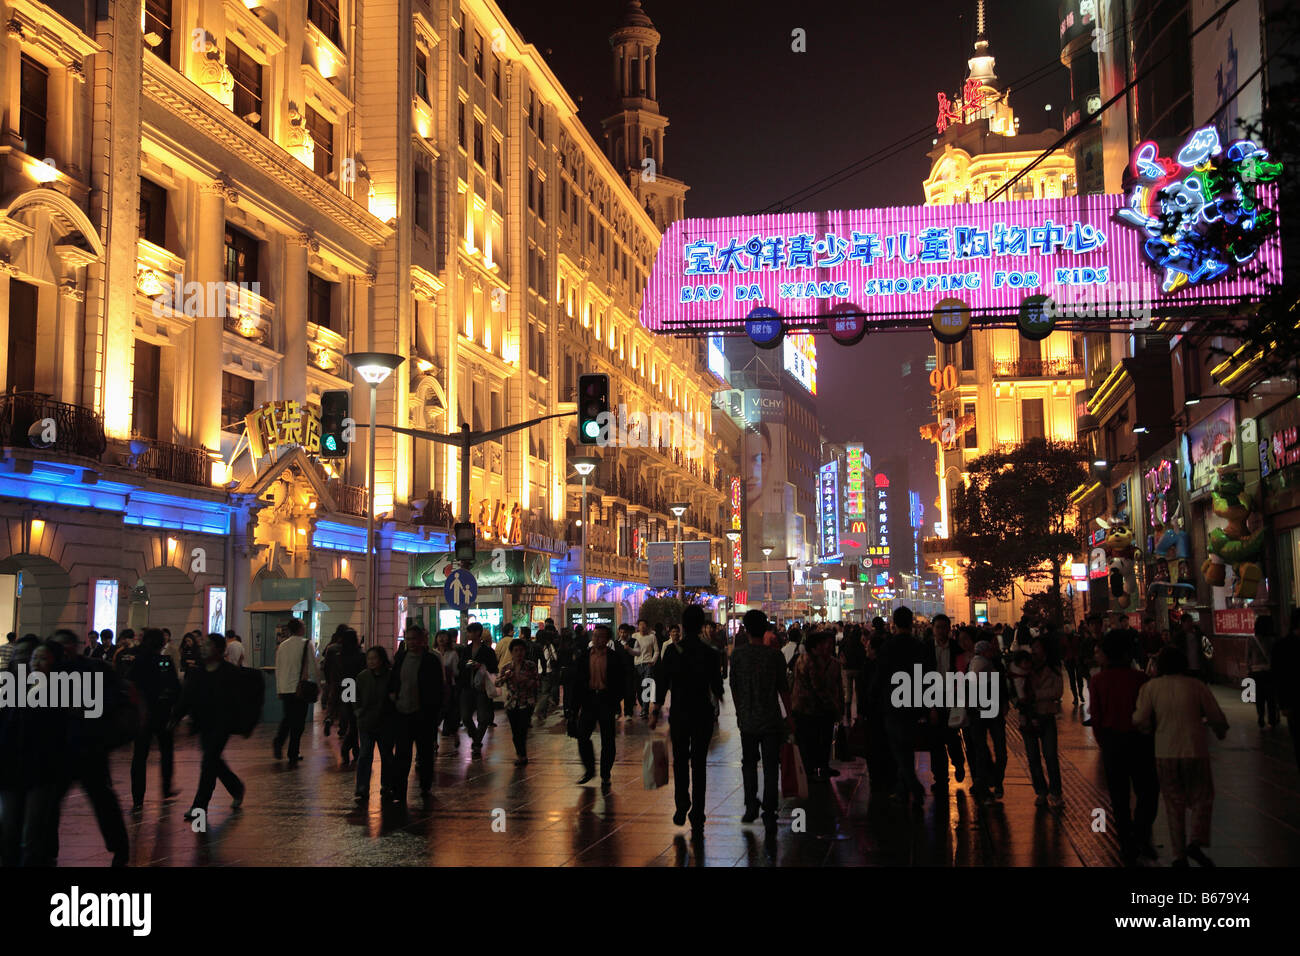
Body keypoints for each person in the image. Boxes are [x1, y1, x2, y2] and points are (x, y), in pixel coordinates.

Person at [1133, 645, 1229, 867]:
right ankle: (1196, 840)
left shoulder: (1151, 687)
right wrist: (1220, 731)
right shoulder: (1196, 686)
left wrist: (1148, 729)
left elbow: (1139, 719)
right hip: (1195, 749)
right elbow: (1215, 715)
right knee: (1202, 797)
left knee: (1173, 802)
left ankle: (1178, 855)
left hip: (1165, 752)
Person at [48, 629, 130, 867]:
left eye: (65, 645)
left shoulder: (93, 668)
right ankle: (49, 848)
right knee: (55, 802)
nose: (62, 651)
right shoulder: (52, 671)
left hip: (88, 746)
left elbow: (114, 699)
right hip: (65, 748)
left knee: (101, 800)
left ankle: (119, 847)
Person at [652, 606, 724, 836]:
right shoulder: (710, 652)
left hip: (680, 712)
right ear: (702, 625)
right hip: (702, 712)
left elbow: (662, 681)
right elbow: (717, 686)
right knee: (699, 763)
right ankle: (698, 813)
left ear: (682, 625)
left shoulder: (673, 652)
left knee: (681, 760)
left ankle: (682, 804)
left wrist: (655, 708)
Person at [1090, 630, 1159, 865]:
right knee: (1147, 792)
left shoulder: (1098, 681)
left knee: (1118, 798)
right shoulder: (1141, 679)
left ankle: (1126, 844)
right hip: (1140, 741)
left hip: (1112, 742)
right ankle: (1141, 835)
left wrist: (1103, 743)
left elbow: (1096, 717)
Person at [0, 639, 71, 866]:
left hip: (41, 771)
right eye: (33, 658)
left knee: (32, 833)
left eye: (42, 658)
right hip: (12, 770)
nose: (35, 663)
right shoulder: (14, 688)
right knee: (9, 829)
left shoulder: (61, 691)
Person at [730, 609, 793, 831]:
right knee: (769, 765)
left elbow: (734, 688)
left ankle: (750, 805)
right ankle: (769, 807)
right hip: (771, 719)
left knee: (748, 763)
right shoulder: (775, 656)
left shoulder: (737, 655)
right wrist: (790, 717)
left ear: (745, 630)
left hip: (747, 719)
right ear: (765, 628)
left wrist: (739, 712)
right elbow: (784, 691)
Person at [173, 633, 245, 821]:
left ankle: (199, 806)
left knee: (209, 762)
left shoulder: (230, 673)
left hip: (222, 725)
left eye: (208, 645)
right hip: (203, 724)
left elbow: (240, 701)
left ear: (219, 650)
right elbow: (186, 698)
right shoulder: (198, 673)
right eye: (203, 645)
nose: (203, 648)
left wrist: (242, 723)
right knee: (213, 761)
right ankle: (236, 787)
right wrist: (175, 718)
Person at [875, 606, 925, 803]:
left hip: (893, 703)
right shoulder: (919, 646)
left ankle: (913, 786)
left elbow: (880, 675)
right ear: (912, 622)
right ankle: (903, 787)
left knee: (898, 747)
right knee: (907, 746)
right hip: (913, 702)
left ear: (893, 623)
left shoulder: (888, 646)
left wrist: (873, 696)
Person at [387, 625, 443, 802]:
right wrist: (393, 695)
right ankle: (399, 788)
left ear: (422, 640)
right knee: (402, 754)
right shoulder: (401, 657)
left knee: (425, 753)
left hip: (424, 714)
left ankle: (425, 785)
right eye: (408, 639)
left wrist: (435, 712)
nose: (411, 643)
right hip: (403, 712)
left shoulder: (430, 660)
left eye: (414, 639)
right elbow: (394, 680)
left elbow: (438, 688)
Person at [127, 628, 181, 811]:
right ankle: (166, 788)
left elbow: (130, 684)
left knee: (140, 756)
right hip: (162, 714)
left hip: (143, 715)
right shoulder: (164, 661)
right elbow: (175, 688)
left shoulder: (139, 661)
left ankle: (137, 798)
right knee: (166, 751)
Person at [570, 624, 627, 787]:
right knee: (582, 736)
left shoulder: (614, 657)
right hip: (589, 700)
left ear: (607, 639)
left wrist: (615, 700)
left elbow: (621, 681)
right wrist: (573, 708)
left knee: (608, 739)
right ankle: (589, 769)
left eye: (600, 636)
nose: (596, 639)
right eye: (594, 636)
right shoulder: (585, 656)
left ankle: (605, 772)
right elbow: (578, 682)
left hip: (606, 701)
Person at [1017, 637, 1065, 807]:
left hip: (1046, 715)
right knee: (1033, 757)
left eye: (1036, 647)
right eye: (1032, 647)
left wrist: (1036, 695)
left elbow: (1058, 691)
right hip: (1028, 717)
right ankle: (1041, 792)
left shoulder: (1053, 667)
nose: (1034, 650)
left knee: (1050, 755)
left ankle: (1056, 792)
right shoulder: (1024, 666)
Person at [922, 613, 966, 791]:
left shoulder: (956, 649)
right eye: (937, 627)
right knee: (935, 741)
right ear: (933, 629)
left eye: (943, 627)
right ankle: (940, 778)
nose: (940, 631)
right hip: (933, 698)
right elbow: (922, 678)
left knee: (952, 737)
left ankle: (959, 763)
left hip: (952, 698)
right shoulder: (925, 649)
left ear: (949, 629)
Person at [791, 629, 843, 780]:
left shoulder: (831, 662)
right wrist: (833, 706)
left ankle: (821, 767)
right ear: (814, 647)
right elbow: (818, 687)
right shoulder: (808, 661)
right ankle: (810, 770)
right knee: (810, 740)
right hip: (808, 709)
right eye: (822, 644)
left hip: (816, 709)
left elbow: (837, 685)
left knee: (822, 739)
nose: (826, 647)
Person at [966, 640, 1008, 804]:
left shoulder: (994, 664)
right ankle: (990, 785)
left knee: (992, 751)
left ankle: (994, 782)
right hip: (982, 712)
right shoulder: (978, 665)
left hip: (988, 711)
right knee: (985, 751)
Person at [273, 618, 319, 766]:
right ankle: (293, 752)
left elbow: (278, 669)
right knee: (299, 722)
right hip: (301, 688)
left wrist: (279, 688)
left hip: (286, 688)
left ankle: (279, 742)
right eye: (304, 625)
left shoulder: (282, 646)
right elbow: (313, 666)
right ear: (300, 628)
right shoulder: (306, 644)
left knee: (288, 718)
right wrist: (317, 684)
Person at [352, 645, 394, 805]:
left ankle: (387, 784)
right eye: (369, 659)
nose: (371, 661)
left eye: (374, 658)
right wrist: (358, 711)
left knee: (386, 755)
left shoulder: (390, 677)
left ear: (382, 660)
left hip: (385, 722)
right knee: (365, 755)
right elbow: (353, 696)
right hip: (366, 722)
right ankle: (362, 786)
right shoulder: (362, 677)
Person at [456, 622, 498, 757]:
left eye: (470, 632)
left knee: (483, 718)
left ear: (477, 633)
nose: (468, 634)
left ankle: (477, 743)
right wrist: (469, 664)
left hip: (482, 687)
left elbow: (493, 668)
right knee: (466, 717)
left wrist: (481, 666)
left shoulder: (488, 651)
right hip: (467, 686)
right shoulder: (466, 650)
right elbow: (461, 664)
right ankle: (477, 739)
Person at [497, 639, 540, 765]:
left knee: (522, 729)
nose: (519, 653)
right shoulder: (506, 668)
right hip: (511, 703)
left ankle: (522, 755)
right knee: (515, 731)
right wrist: (505, 677)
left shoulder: (530, 666)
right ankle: (520, 754)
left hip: (526, 702)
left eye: (521, 650)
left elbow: (537, 682)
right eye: (516, 650)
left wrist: (525, 680)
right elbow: (498, 683)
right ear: (511, 652)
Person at [333, 628, 366, 767]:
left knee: (351, 722)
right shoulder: (360, 655)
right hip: (356, 689)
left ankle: (354, 750)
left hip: (345, 689)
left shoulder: (340, 655)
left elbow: (336, 675)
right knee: (355, 723)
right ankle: (348, 749)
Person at [1272, 609, 1300, 772]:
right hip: (1294, 701)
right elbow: (1279, 677)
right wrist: (1283, 704)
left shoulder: (1281, 646)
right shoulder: (1282, 647)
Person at [1247, 615, 1279, 729]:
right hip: (1269, 671)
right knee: (1271, 697)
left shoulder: (1251, 640)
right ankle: (1272, 720)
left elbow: (1248, 657)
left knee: (1259, 697)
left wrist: (1249, 670)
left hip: (1256, 672)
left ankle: (1261, 716)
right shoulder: (1273, 640)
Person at [432, 630, 461, 746]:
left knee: (449, 713)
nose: (442, 639)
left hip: (449, 687)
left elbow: (456, 672)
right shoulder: (433, 653)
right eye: (440, 637)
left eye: (444, 637)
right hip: (435, 687)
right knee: (435, 715)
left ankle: (455, 735)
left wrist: (447, 672)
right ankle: (434, 741)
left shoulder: (453, 654)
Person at [633, 619, 659, 719]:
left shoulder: (652, 637)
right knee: (639, 689)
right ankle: (643, 705)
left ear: (647, 626)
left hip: (648, 664)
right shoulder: (634, 636)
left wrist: (653, 661)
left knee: (646, 687)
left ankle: (645, 710)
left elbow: (656, 651)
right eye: (640, 625)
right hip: (637, 665)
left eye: (644, 625)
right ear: (638, 626)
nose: (642, 626)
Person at [840, 626, 866, 723]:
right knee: (858, 691)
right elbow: (863, 657)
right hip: (858, 670)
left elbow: (841, 653)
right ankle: (859, 712)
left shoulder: (847, 643)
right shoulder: (860, 645)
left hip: (847, 669)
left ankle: (847, 712)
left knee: (849, 690)